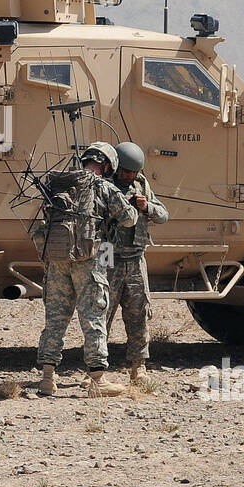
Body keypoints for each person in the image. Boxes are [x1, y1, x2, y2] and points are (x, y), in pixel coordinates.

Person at [35, 142, 138, 397]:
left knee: (55, 321)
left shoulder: (58, 183)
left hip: (57, 260)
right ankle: (97, 380)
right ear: (106, 165)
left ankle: (47, 379)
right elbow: (129, 218)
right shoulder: (102, 186)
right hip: (89, 262)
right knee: (93, 319)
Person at [107, 141, 169, 382]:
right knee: (102, 315)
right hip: (108, 257)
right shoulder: (106, 186)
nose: (131, 176)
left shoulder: (141, 184)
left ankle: (138, 366)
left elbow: (164, 215)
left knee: (139, 312)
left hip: (134, 257)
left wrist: (147, 206)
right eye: (126, 172)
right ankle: (95, 367)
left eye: (134, 172)